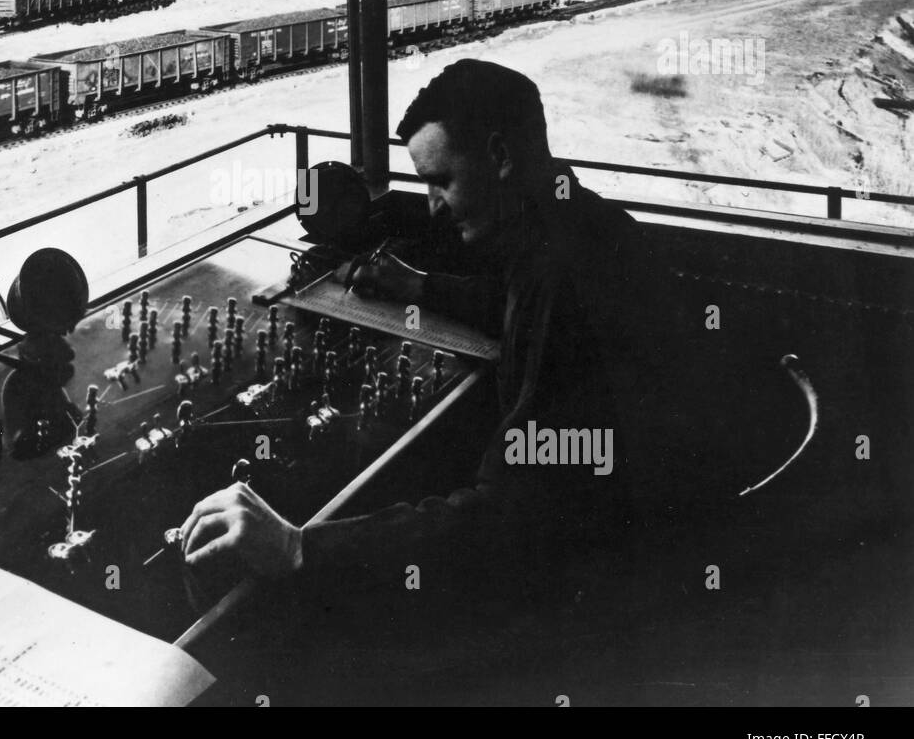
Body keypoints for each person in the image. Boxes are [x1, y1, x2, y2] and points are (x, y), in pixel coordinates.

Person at [179, 60, 670, 609]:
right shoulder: (579, 225)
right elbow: (513, 307)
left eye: (441, 182)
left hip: (614, 580)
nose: (433, 207)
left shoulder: (557, 277)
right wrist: (418, 287)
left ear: (500, 157)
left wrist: (301, 547)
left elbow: (513, 514)